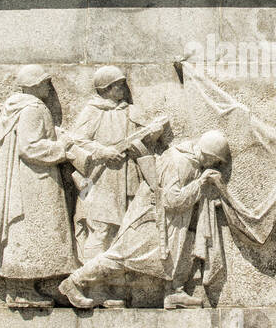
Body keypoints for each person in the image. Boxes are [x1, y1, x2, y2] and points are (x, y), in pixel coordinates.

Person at [58, 130, 232, 310]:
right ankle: (74, 282)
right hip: (150, 220)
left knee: (185, 245)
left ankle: (174, 292)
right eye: (216, 161)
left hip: (166, 223)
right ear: (207, 154)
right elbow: (172, 200)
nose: (217, 165)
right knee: (119, 258)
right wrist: (200, 183)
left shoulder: (190, 161)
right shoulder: (181, 162)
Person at [0, 65, 76, 307]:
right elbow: (29, 147)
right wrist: (63, 149)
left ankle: (24, 287)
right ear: (33, 85)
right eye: (44, 83)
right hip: (33, 182)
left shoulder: (14, 108)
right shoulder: (32, 109)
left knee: (29, 230)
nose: (48, 88)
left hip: (28, 178)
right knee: (31, 231)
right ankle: (21, 289)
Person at [65, 65, 167, 262]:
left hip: (128, 178)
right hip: (100, 179)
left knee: (127, 230)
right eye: (117, 86)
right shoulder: (92, 111)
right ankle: (91, 283)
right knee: (101, 229)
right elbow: (75, 141)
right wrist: (103, 151)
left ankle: (117, 282)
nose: (123, 89)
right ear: (105, 89)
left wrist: (152, 133)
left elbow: (145, 140)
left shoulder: (130, 111)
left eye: (122, 85)